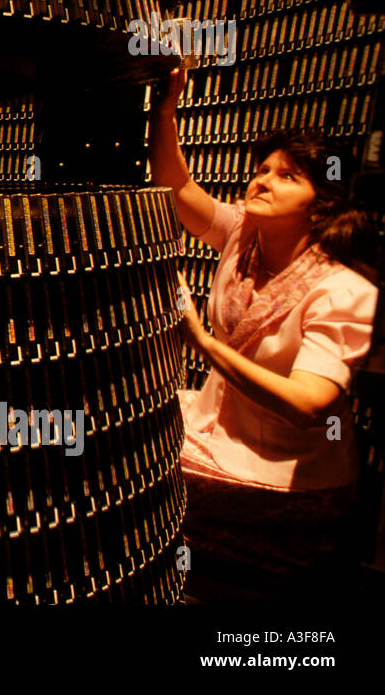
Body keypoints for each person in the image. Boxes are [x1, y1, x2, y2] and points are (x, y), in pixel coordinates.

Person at [149, 62, 379, 580]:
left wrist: (200, 342)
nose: (263, 180)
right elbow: (177, 190)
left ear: (321, 205)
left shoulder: (344, 289)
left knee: (133, 474)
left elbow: (307, 405)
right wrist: (165, 111)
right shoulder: (243, 233)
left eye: (287, 176)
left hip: (285, 472)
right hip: (214, 430)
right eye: (262, 168)